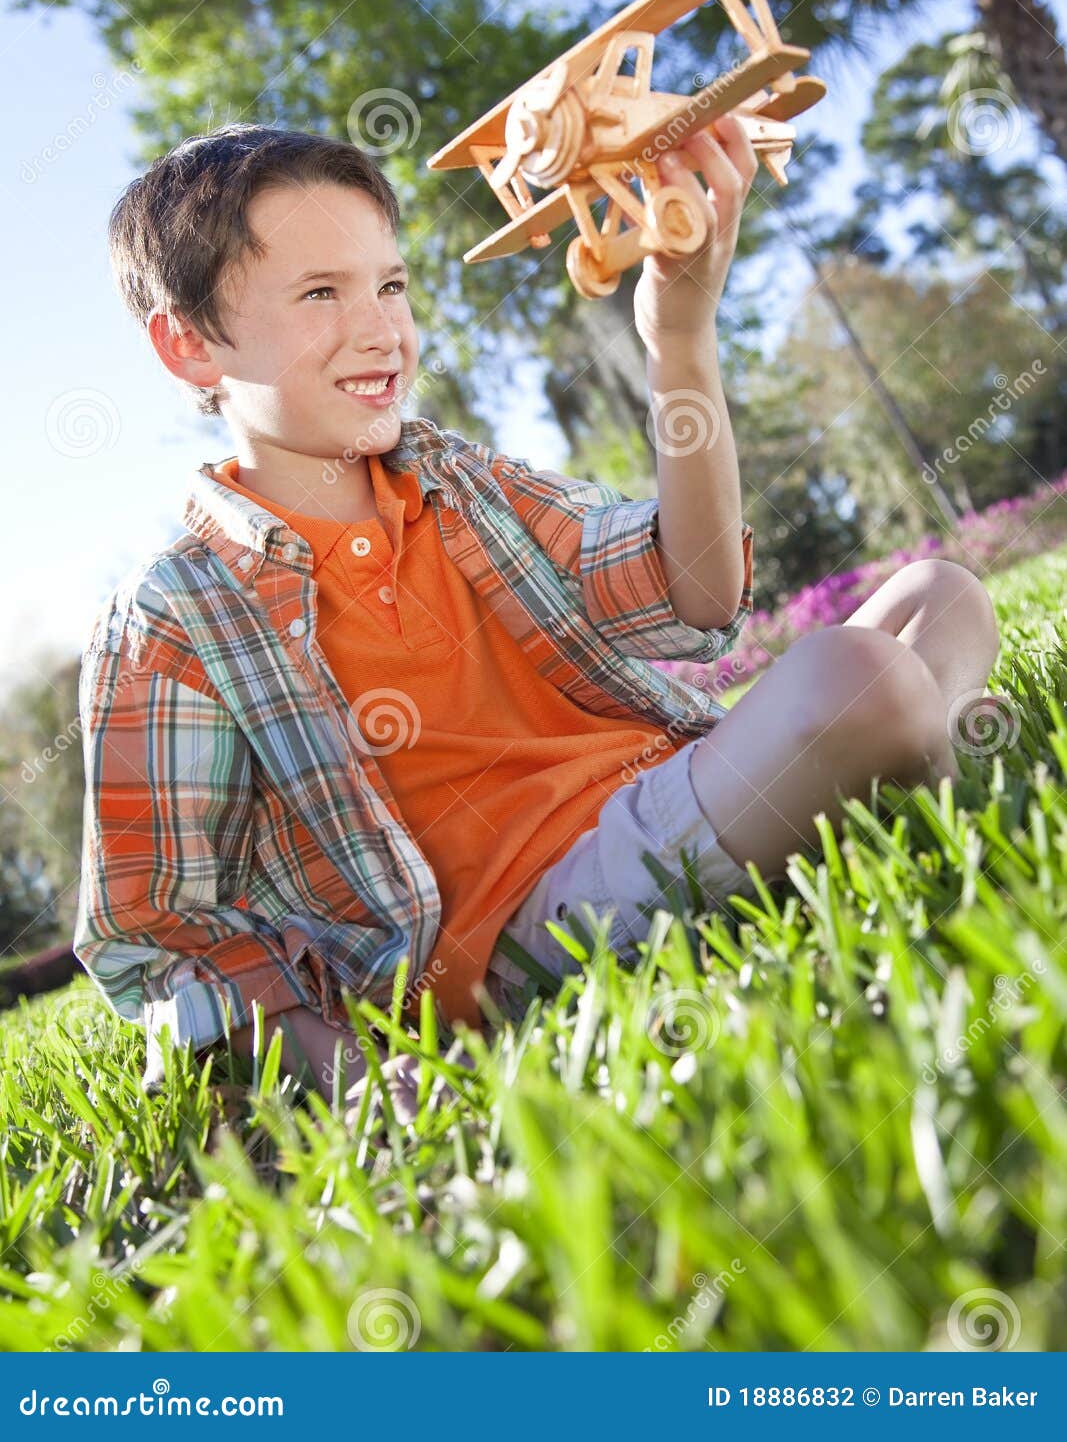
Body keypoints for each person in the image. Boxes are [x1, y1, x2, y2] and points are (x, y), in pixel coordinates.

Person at [73, 119, 999, 1107]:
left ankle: (853, 787)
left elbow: (688, 593)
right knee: (857, 680)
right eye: (318, 294)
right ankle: (898, 800)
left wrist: (678, 338)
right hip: (526, 931)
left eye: (389, 284)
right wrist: (351, 1075)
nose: (381, 327)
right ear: (189, 344)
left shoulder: (453, 479)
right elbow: (166, 930)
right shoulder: (174, 615)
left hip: (664, 790)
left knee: (941, 594)